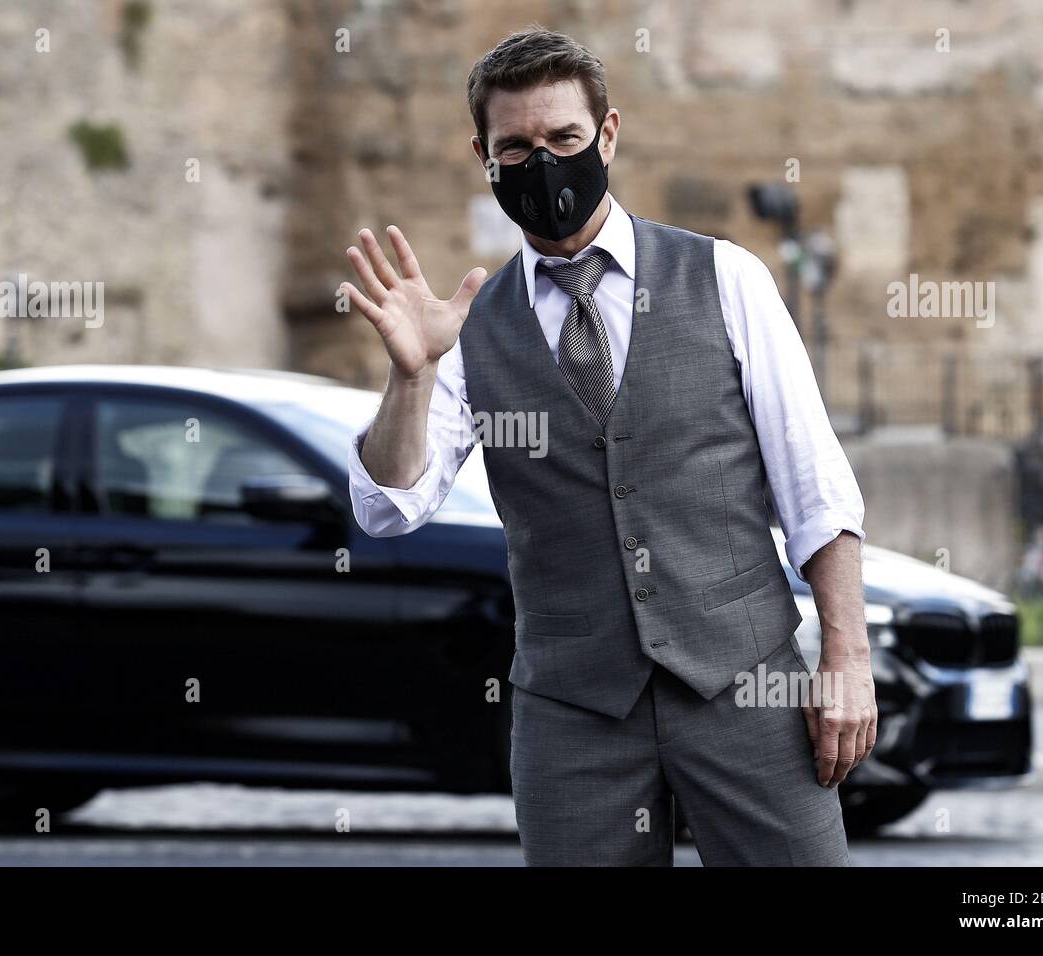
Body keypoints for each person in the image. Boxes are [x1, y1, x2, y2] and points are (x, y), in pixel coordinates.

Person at [341, 27, 874, 866]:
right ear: (482, 155)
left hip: (745, 686)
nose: (543, 164)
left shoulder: (725, 277)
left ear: (609, 134)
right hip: (572, 714)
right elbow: (388, 508)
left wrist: (846, 656)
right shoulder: (468, 330)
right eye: (515, 148)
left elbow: (816, 487)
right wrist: (412, 375)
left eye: (564, 139)